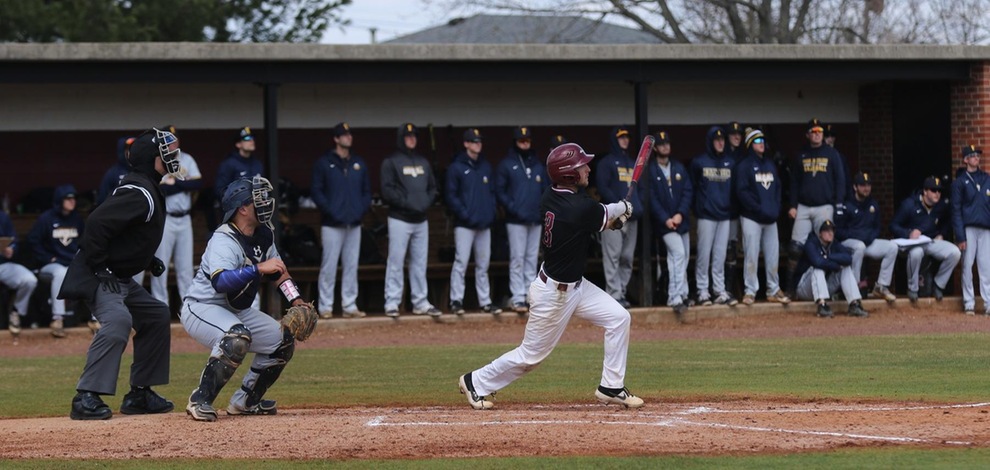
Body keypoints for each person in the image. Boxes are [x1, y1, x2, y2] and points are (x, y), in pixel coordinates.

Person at [457, 142, 642, 410]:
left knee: (619, 318)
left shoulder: (552, 195)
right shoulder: (577, 207)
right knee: (531, 356)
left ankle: (611, 385)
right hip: (554, 294)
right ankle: (476, 381)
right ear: (568, 173)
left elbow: (598, 219)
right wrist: (623, 207)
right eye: (581, 166)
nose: (587, 168)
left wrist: (615, 217)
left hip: (576, 287)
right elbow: (602, 213)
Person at [59, 128, 181, 420]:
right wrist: (102, 267)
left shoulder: (145, 186)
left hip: (119, 275)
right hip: (99, 275)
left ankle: (139, 393)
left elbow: (128, 233)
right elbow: (98, 224)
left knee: (156, 315)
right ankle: (85, 397)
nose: (173, 156)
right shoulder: (139, 191)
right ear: (153, 159)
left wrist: (147, 259)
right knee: (119, 321)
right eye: (167, 152)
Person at [182, 176, 311, 421]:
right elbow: (220, 282)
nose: (266, 202)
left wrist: (296, 300)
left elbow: (279, 271)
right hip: (203, 307)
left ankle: (245, 401)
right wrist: (258, 269)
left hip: (235, 309)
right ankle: (200, 400)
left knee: (283, 340)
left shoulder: (264, 234)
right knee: (236, 338)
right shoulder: (224, 239)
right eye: (258, 199)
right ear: (242, 208)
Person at [311, 122, 372, 319]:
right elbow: (317, 192)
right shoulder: (324, 163)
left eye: (349, 134)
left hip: (354, 223)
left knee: (351, 265)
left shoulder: (359, 163)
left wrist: (360, 211)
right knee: (329, 265)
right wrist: (331, 211)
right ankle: (325, 306)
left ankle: (349, 305)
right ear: (336, 139)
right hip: (332, 223)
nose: (348, 137)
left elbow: (366, 192)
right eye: (344, 135)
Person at [380, 123, 441, 317]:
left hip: (421, 220)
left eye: (414, 135)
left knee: (419, 262)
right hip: (400, 219)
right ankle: (392, 302)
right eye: (408, 136)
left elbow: (433, 188)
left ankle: (420, 302)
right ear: (401, 138)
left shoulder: (423, 162)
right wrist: (408, 203)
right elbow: (387, 190)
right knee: (396, 261)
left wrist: (424, 203)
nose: (412, 138)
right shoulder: (391, 162)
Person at [785, 118, 846, 295]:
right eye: (813, 131)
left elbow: (840, 180)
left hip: (825, 206)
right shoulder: (801, 154)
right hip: (804, 206)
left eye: (819, 131)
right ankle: (790, 287)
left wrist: (838, 204)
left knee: (826, 245)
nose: (817, 134)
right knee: (796, 248)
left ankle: (829, 286)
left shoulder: (832, 154)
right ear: (807, 135)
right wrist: (793, 205)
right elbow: (794, 182)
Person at [145, 125, 202, 309]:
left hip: (184, 219)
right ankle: (160, 307)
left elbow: (198, 184)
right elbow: (159, 188)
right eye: (169, 139)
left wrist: (174, 183)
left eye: (175, 138)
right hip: (166, 219)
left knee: (185, 268)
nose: (173, 142)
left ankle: (188, 309)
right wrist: (181, 184)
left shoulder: (187, 159)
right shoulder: (158, 160)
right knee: (160, 266)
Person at [446, 128, 501, 315]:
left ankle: (485, 301)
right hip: (465, 224)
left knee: (483, 264)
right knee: (461, 262)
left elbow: (492, 194)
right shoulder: (457, 167)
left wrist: (490, 213)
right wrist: (465, 214)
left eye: (479, 141)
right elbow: (451, 196)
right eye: (474, 141)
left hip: (484, 224)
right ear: (466, 144)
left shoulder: (485, 166)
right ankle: (456, 300)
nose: (478, 144)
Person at [734, 128, 790, 306]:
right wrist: (758, 209)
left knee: (773, 254)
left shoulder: (770, 164)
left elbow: (778, 188)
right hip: (752, 217)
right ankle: (750, 291)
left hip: (770, 218)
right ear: (751, 144)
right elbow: (742, 192)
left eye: (763, 141)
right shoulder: (744, 166)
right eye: (758, 141)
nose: (762, 144)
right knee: (751, 254)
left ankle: (773, 289)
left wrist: (776, 207)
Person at [496, 126, 548, 314]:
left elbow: (545, 190)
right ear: (516, 142)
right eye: (521, 141)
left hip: (534, 219)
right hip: (515, 220)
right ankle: (517, 297)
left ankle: (530, 295)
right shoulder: (507, 164)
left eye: (527, 140)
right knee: (517, 258)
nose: (525, 144)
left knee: (532, 258)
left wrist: (541, 210)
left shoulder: (537, 164)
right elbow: (500, 191)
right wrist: (513, 208)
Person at [890, 176, 961, 304]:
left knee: (955, 252)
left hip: (929, 241)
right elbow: (893, 225)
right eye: (933, 190)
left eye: (939, 190)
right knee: (916, 253)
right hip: (911, 244)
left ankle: (938, 285)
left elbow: (948, 220)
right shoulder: (909, 205)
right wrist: (908, 233)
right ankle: (912, 288)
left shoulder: (941, 206)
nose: (937, 194)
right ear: (925, 191)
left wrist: (942, 234)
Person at [26, 184, 83, 338]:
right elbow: (33, 240)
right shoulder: (47, 218)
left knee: (95, 271)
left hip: (73, 263)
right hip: (51, 266)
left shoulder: (76, 218)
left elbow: (84, 242)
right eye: (68, 198)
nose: (72, 202)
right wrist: (47, 257)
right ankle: (58, 319)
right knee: (60, 273)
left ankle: (96, 318)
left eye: (74, 198)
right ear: (60, 200)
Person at [646, 131, 692, 317]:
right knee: (678, 255)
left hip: (681, 221)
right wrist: (666, 218)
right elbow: (652, 199)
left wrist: (680, 214)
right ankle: (674, 297)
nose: (665, 146)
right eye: (662, 144)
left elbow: (688, 192)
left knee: (685, 256)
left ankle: (683, 293)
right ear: (656, 148)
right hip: (665, 224)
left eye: (667, 143)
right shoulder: (651, 170)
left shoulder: (679, 167)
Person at [595, 126, 643, 308]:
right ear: (615, 139)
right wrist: (619, 207)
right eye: (621, 137)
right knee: (612, 256)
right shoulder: (606, 163)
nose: (625, 140)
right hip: (614, 218)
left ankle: (621, 292)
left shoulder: (632, 163)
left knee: (627, 258)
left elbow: (642, 189)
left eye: (627, 137)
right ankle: (613, 295)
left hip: (633, 217)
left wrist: (639, 207)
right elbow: (602, 188)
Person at [690, 126, 737, 306]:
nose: (720, 142)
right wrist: (699, 209)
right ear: (711, 141)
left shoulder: (730, 162)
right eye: (717, 140)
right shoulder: (699, 162)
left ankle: (719, 290)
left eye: (723, 140)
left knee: (720, 255)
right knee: (704, 254)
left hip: (724, 216)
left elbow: (733, 191)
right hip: (706, 216)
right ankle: (702, 291)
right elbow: (694, 188)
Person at [835, 172, 898, 303]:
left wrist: (870, 237)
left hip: (867, 242)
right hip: (849, 243)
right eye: (862, 185)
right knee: (859, 247)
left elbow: (877, 228)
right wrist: (859, 236)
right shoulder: (846, 205)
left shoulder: (873, 204)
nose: (866, 188)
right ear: (855, 187)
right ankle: (854, 288)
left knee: (892, 246)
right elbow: (839, 232)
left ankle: (881, 286)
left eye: (868, 185)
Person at [793, 220, 869, 318]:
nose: (830, 233)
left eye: (832, 230)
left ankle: (854, 304)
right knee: (818, 269)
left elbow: (848, 258)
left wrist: (829, 257)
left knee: (845, 268)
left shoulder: (834, 244)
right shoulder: (811, 243)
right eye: (826, 230)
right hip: (804, 288)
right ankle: (822, 306)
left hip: (823, 287)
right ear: (819, 233)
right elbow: (818, 262)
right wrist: (835, 265)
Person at [951, 145, 990, 315]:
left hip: (985, 227)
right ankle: (969, 302)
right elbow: (956, 210)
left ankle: (988, 302)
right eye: (972, 156)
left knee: (986, 266)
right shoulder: (960, 182)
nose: (976, 158)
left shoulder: (986, 178)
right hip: (968, 228)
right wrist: (960, 236)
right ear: (966, 159)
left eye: (977, 155)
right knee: (967, 265)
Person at [1, 209, 38, 339]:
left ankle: (16, 311)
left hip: (2, 264)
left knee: (29, 280)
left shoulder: (2, 217)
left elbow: (13, 240)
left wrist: (11, 249)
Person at [215, 127, 263, 202]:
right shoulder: (229, 164)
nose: (252, 141)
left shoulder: (257, 163)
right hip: (238, 208)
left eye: (252, 138)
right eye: (247, 138)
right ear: (238, 144)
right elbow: (220, 190)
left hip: (257, 207)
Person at [96, 136, 134, 206]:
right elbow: (102, 200)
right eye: (129, 149)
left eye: (134, 149)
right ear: (122, 151)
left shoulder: (142, 171)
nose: (131, 152)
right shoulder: (112, 174)